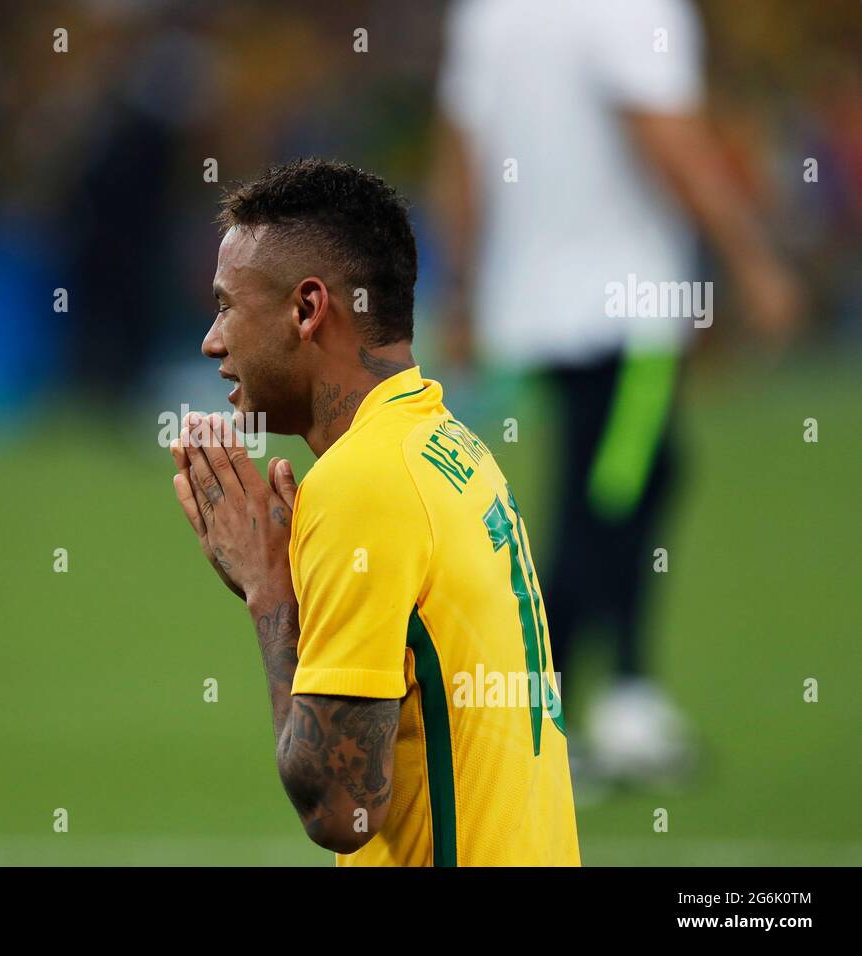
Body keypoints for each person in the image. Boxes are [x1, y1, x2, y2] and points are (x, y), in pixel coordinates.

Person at [169, 159, 579, 866]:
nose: (212, 341)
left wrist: (269, 590)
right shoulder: (448, 444)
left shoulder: (363, 483)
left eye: (226, 306)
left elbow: (341, 806)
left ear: (306, 308)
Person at [433, 0, 801, 783]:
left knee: (627, 482)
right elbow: (665, 132)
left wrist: (461, 288)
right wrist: (752, 257)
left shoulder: (491, 15)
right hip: (625, 299)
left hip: (531, 299)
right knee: (609, 499)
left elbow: (461, 152)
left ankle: (626, 697)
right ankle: (535, 717)